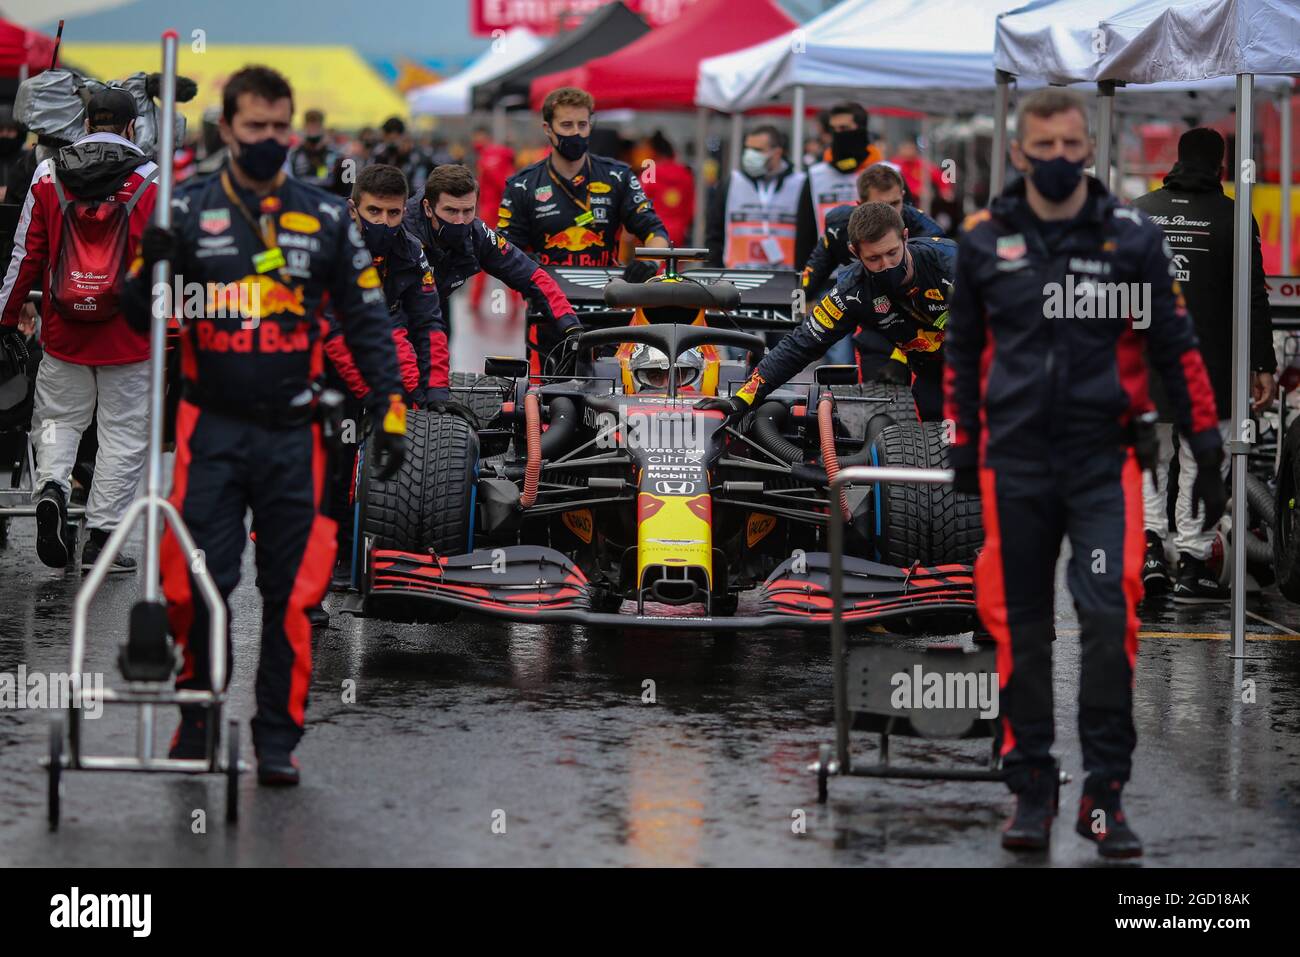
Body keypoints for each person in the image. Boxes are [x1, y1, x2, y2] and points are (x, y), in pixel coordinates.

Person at [944, 88, 1224, 858]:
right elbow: (961, 351)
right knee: (1022, 629)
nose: (1061, 159)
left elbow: (1176, 341)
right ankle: (1031, 788)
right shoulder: (981, 239)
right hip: (1018, 462)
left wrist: (1206, 441)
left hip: (1105, 462)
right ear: (1019, 151)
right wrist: (962, 441)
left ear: (1089, 150)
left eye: (1074, 146)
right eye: (1047, 147)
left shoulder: (1132, 237)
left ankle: (1104, 796)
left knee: (1108, 622)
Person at [123, 66, 406, 785]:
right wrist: (144, 276)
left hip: (295, 434)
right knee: (192, 584)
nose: (271, 140)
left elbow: (368, 318)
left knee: (294, 594)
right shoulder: (182, 211)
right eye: (256, 128)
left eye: (281, 127)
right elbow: (137, 321)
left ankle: (276, 738)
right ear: (227, 128)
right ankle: (196, 713)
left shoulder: (327, 215)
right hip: (209, 428)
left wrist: (391, 406)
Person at [0, 89, 159, 574]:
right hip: (129, 336)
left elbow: (26, 254)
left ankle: (52, 486)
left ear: (86, 122)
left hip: (64, 332)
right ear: (132, 127)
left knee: (59, 420)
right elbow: (166, 262)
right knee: (123, 437)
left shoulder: (49, 173)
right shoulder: (151, 179)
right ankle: (102, 542)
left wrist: (5, 318)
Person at [1132, 127, 1275, 601]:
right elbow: (1254, 298)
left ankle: (1150, 550)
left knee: (1151, 456)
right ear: (1222, 165)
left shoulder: (1139, 212)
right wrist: (1262, 364)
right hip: (1210, 363)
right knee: (1200, 460)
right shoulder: (1234, 217)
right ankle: (1193, 564)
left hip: (1145, 359)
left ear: (1178, 157)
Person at [697, 203, 956, 421]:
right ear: (855, 252)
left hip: (980, 367)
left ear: (905, 237)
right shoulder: (851, 291)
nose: (886, 265)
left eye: (892, 253)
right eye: (874, 258)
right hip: (931, 374)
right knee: (937, 432)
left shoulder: (952, 264)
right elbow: (800, 346)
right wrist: (741, 400)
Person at [320, 162, 442, 598]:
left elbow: (429, 323)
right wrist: (370, 392)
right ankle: (319, 556)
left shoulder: (411, 250)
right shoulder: (327, 242)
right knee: (332, 462)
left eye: (393, 214)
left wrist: (434, 389)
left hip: (376, 347)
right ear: (354, 209)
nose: (385, 222)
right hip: (317, 361)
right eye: (375, 212)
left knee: (387, 450)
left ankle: (369, 549)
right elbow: (330, 331)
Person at [410, 162, 581, 360]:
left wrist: (570, 324)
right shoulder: (401, 234)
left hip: (430, 312)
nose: (460, 221)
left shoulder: (476, 234)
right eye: (451, 211)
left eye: (467, 211)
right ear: (428, 208)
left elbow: (531, 275)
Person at [498, 87, 668, 270]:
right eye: (566, 125)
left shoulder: (618, 176)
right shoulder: (522, 185)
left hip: (605, 291)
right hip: (547, 292)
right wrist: (523, 264)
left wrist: (651, 262)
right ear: (547, 129)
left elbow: (655, 231)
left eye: (582, 125)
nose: (575, 133)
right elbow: (503, 248)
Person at [802, 163, 946, 297]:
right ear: (860, 204)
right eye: (880, 206)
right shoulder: (838, 226)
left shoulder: (929, 234)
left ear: (903, 196)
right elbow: (810, 279)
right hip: (862, 300)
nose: (891, 212)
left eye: (895, 203)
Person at [794, 102, 882, 268]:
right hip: (826, 276)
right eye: (833, 129)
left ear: (861, 128)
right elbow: (805, 235)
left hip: (878, 273)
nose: (838, 134)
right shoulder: (815, 175)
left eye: (844, 128)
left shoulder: (886, 173)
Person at [704, 124, 805, 268]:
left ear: (777, 153)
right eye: (748, 149)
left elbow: (809, 239)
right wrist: (713, 273)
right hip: (736, 278)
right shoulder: (732, 182)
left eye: (757, 150)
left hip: (786, 278)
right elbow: (714, 234)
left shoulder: (799, 184)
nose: (750, 155)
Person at [467, 126, 516, 311]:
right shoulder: (493, 155)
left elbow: (502, 183)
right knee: (508, 254)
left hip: (493, 212)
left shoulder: (491, 156)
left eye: (477, 137)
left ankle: (475, 300)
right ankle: (518, 300)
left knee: (486, 255)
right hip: (498, 211)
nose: (475, 141)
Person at [640, 131, 695, 249]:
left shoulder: (650, 173)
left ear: (654, 152)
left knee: (655, 264)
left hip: (654, 230)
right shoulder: (685, 173)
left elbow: (639, 201)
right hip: (679, 230)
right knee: (675, 264)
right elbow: (691, 207)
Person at [289, 108, 346, 195]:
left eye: (316, 126)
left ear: (322, 127)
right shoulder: (294, 155)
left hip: (328, 202)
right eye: (310, 125)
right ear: (304, 127)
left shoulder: (337, 156)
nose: (313, 130)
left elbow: (345, 190)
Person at [370, 116, 432, 194]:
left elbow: (418, 187)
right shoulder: (381, 153)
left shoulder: (418, 157)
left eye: (394, 139)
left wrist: (405, 156)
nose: (392, 143)